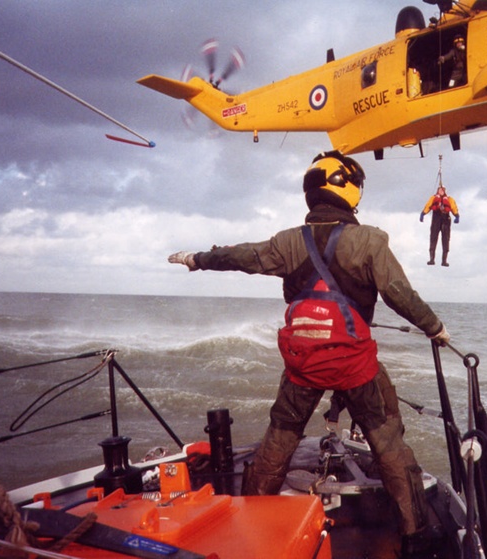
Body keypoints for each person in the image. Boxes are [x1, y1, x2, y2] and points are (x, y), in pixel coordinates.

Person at [168, 150, 450, 557]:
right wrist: (434, 328)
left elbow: (241, 256)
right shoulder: (370, 240)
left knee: (279, 439)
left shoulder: (288, 242)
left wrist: (198, 259)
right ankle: (414, 534)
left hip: (302, 364)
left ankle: (247, 520)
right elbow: (398, 294)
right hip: (353, 363)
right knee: (388, 439)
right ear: (347, 189)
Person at [420, 184, 459, 266]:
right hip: (436, 220)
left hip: (446, 221)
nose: (441, 191)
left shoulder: (449, 199)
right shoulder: (433, 198)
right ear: (437, 190)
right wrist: (423, 214)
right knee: (433, 238)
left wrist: (457, 216)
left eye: (443, 189)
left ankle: (444, 261)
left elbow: (454, 207)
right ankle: (432, 259)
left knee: (446, 240)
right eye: (440, 189)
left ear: (445, 191)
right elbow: (428, 206)